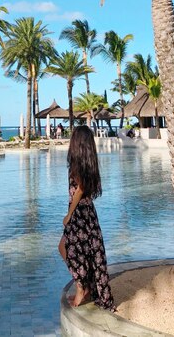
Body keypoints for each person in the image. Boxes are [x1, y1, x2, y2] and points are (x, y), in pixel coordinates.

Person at [58, 125, 115, 311]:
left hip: (79, 214)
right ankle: (85, 285)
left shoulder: (77, 164)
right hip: (88, 212)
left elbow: (80, 189)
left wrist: (69, 214)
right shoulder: (87, 163)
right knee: (83, 252)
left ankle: (81, 286)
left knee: (67, 249)